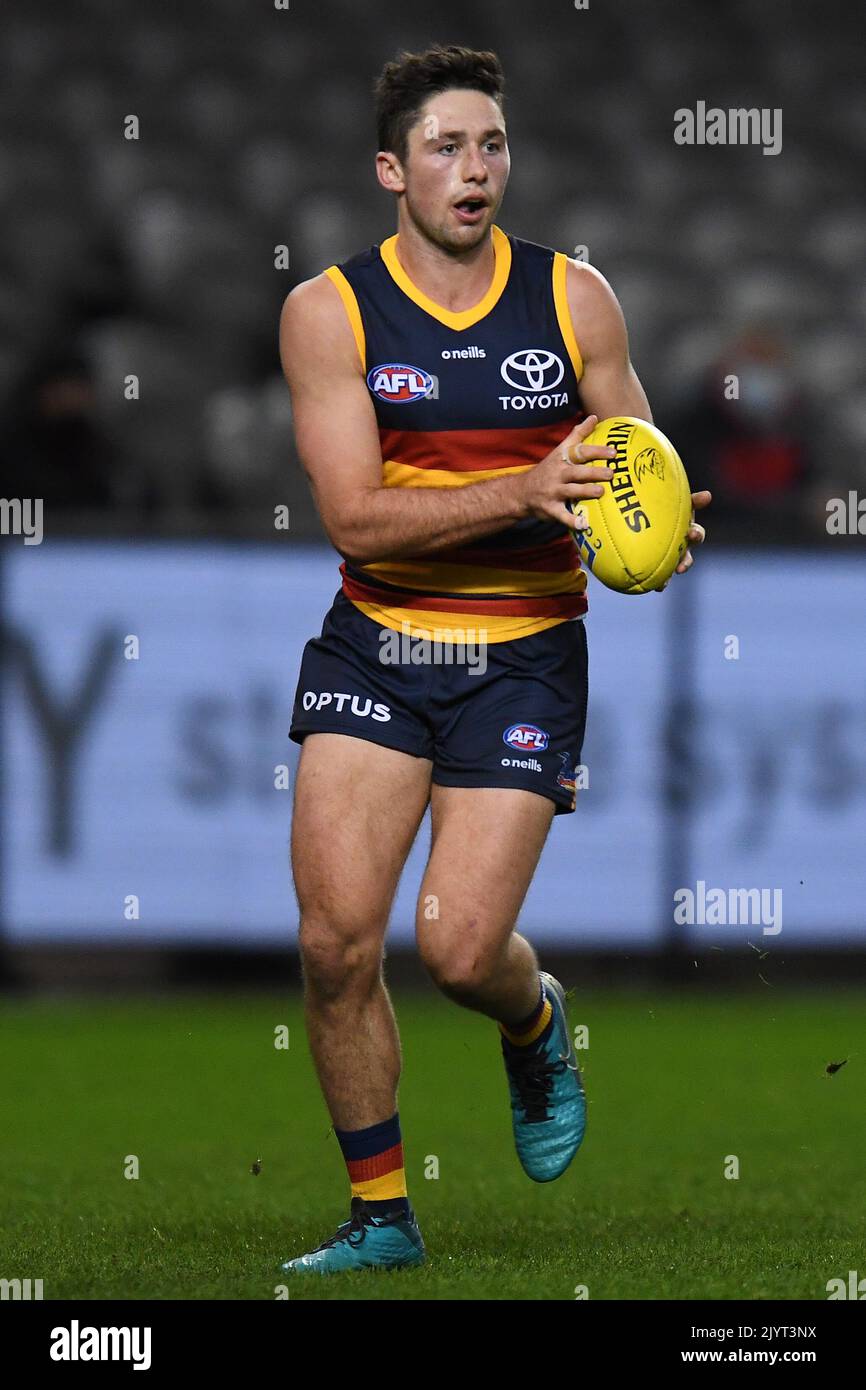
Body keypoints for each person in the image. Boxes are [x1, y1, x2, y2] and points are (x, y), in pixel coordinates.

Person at [278, 44, 709, 1274]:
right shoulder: (330, 311)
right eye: (445, 148)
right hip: (377, 641)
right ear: (388, 169)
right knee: (332, 942)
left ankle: (532, 1015)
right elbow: (354, 517)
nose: (474, 171)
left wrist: (660, 528)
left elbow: (629, 457)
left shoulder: (575, 299)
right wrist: (526, 486)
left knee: (458, 949)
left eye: (491, 145)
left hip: (522, 653)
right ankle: (381, 1216)